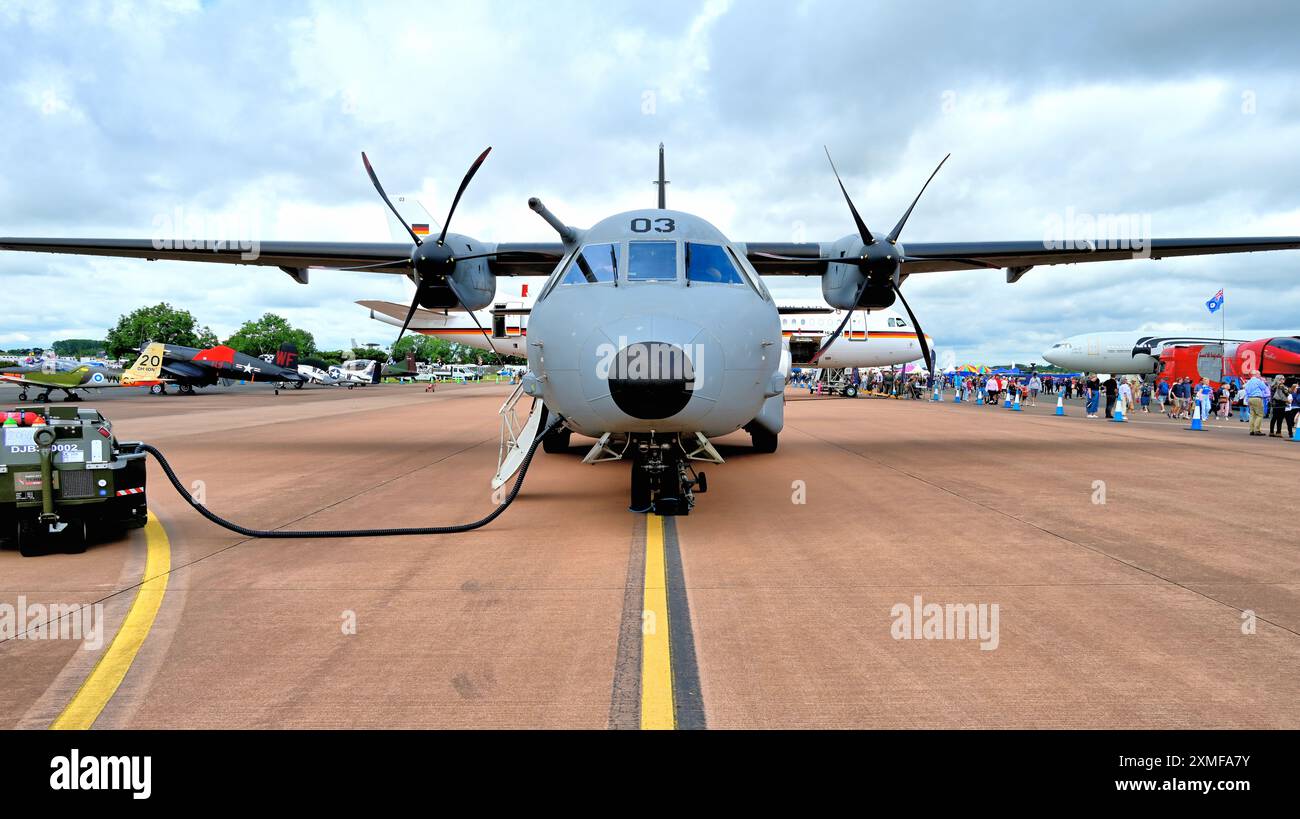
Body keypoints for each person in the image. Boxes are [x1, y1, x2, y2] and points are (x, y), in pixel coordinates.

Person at [1242, 371, 1270, 436]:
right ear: (1256, 374)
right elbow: (1264, 388)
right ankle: (1257, 430)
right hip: (1257, 398)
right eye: (1259, 374)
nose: (1260, 375)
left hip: (1250, 398)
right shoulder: (1258, 381)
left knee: (1252, 415)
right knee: (1260, 415)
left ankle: (1251, 430)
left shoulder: (1248, 382)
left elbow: (1246, 390)